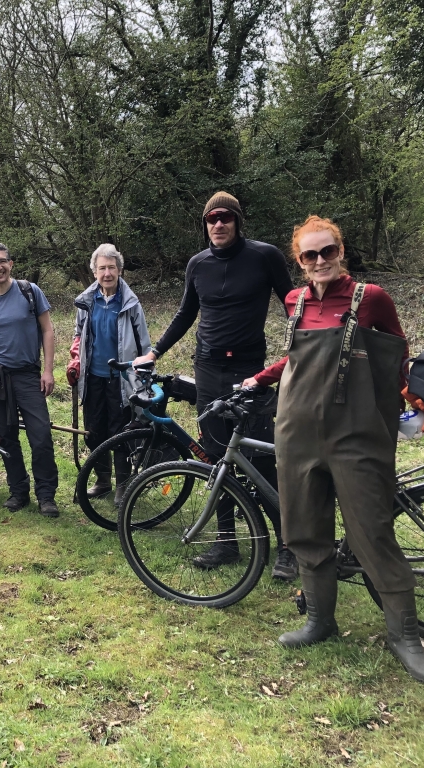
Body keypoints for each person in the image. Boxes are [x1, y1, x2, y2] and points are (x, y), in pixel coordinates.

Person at [242, 215, 424, 682]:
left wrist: (416, 405)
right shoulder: (294, 301)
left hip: (356, 435)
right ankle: (319, 620)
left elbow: (397, 357)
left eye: (327, 251)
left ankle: (405, 636)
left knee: (373, 532)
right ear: (299, 261)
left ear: (340, 250)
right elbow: (296, 359)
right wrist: (260, 377)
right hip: (296, 433)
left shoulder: (370, 299)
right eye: (309, 255)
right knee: (305, 530)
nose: (319, 261)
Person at [133, 192, 297, 580]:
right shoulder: (198, 264)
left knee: (261, 457)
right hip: (208, 370)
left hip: (249, 371)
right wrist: (155, 351)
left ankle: (287, 547)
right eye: (211, 218)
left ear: (238, 221)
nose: (218, 224)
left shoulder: (264, 256)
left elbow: (293, 305)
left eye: (225, 217)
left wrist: (304, 349)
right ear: (205, 224)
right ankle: (227, 541)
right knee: (215, 455)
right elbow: (186, 312)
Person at [0, 242, 59, 516]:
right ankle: (18, 492)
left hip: (28, 375)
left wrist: (48, 370)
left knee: (40, 436)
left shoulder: (29, 292)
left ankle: (46, 496)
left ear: (11, 264)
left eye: (2, 261)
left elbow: (48, 331)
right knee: (6, 437)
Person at [67, 243, 152, 505]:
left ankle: (123, 486)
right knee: (95, 430)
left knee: (121, 432)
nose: (107, 273)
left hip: (122, 380)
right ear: (94, 272)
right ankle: (102, 481)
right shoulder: (86, 302)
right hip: (93, 378)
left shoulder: (130, 304)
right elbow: (79, 336)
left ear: (120, 270)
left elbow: (144, 346)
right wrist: (75, 359)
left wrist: (144, 379)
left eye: (111, 268)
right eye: (102, 268)